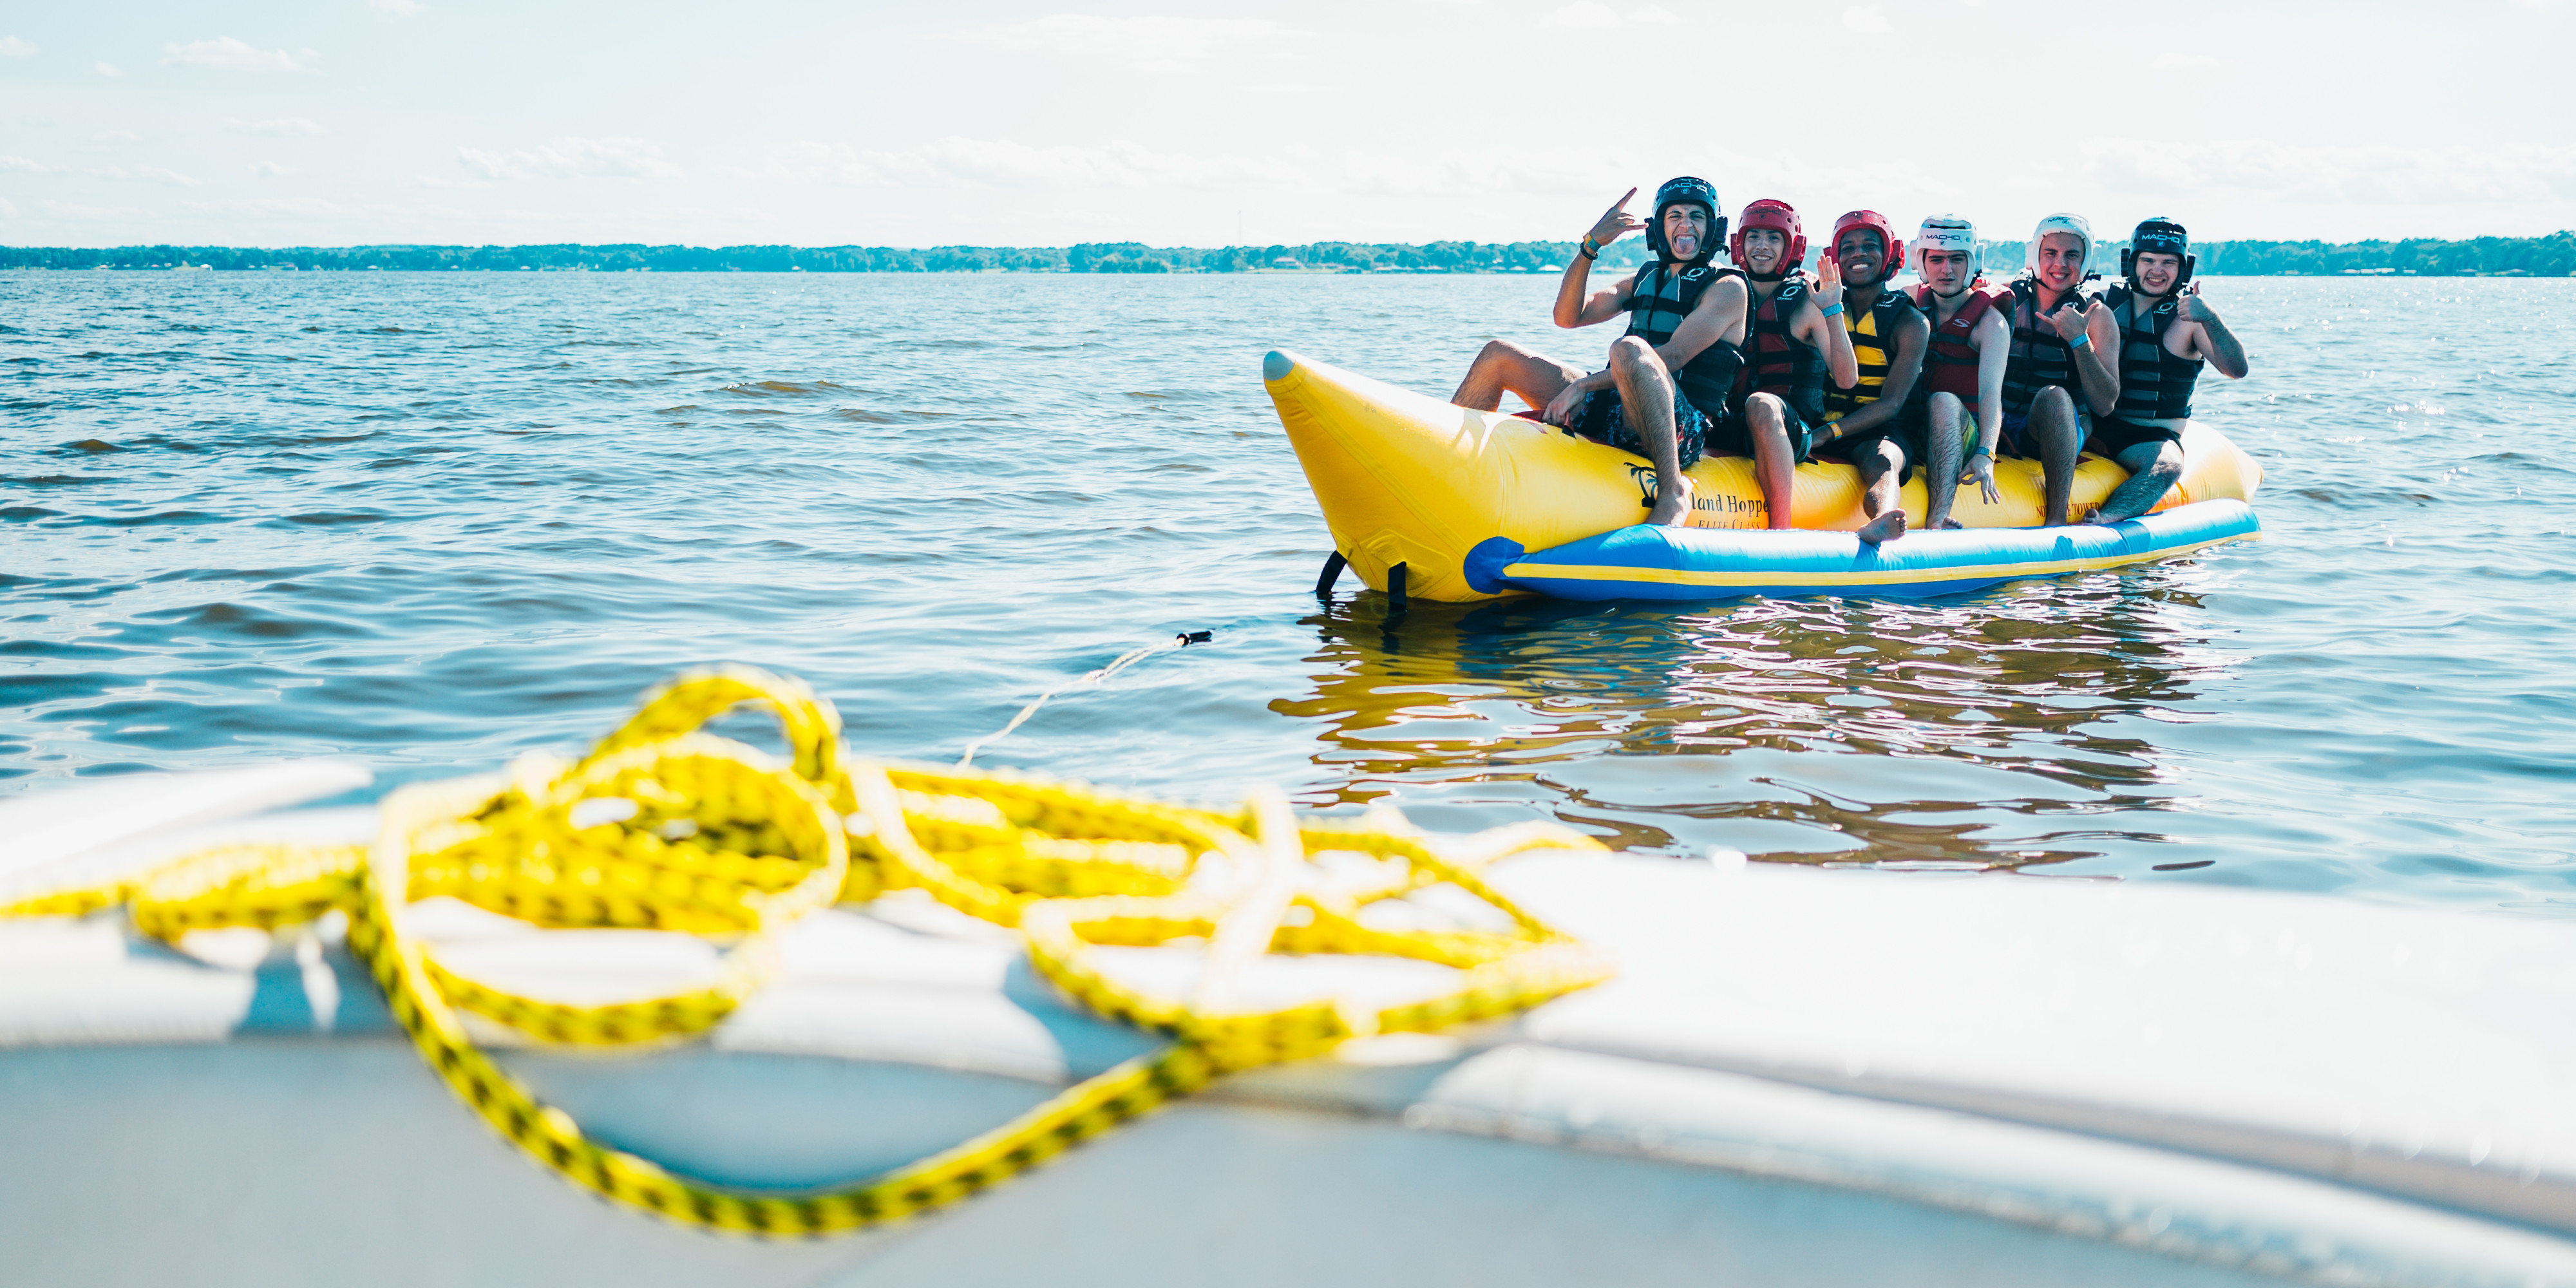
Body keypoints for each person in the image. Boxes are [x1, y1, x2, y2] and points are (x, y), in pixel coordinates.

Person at [1451, 178, 1747, 526]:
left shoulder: (1728, 289)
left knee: (1631, 348)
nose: (1686, 225)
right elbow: (1567, 317)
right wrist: (1590, 247)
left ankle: (1672, 492)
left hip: (1680, 427)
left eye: (1697, 216)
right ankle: (1449, 462)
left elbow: (1673, 357)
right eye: (1675, 216)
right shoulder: (1645, 278)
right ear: (1660, 228)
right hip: (1619, 409)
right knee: (1498, 354)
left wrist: (1583, 386)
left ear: (1712, 227)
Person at [2087, 217, 2252, 523]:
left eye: (2168, 263)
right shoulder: (2102, 302)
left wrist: (2210, 317)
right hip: (2091, 422)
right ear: (2132, 263)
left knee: (2167, 466)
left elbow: (2237, 370)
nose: (2157, 270)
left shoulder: (2189, 317)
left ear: (2183, 269)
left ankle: (2106, 521)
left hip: (2147, 437)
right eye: (2148, 260)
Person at [1720, 198, 1858, 530]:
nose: (1762, 246)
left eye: (1774, 238)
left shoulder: (1808, 301)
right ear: (1740, 245)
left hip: (1790, 430)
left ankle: (1781, 530)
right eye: (1754, 237)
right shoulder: (1722, 293)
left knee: (1762, 404)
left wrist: (1832, 310)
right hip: (1731, 423)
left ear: (1790, 247)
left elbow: (1847, 379)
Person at [1807, 209, 1927, 544]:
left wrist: (1827, 434)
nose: (1858, 253)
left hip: (1880, 430)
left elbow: (1891, 405)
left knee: (1882, 459)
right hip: (1819, 421)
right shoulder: (1815, 302)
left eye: (1870, 245)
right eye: (1848, 248)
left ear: (1889, 255)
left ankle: (1883, 517)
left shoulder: (1910, 323)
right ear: (1834, 259)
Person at [1996, 213, 2118, 526]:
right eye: (2051, 253)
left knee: (2054, 397)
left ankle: (2056, 519)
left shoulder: (2097, 315)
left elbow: (2106, 404)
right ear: (2035, 255)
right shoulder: (2005, 299)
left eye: (2072, 255)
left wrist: (2079, 340)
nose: (2060, 264)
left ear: (2087, 259)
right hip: (1996, 424)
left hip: (2048, 430)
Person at [1906, 215, 2012, 529]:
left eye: (1956, 259)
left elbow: (1992, 394)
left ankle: (1937, 520)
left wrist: (1986, 454)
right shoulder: (1909, 303)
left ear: (1972, 263)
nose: (1946, 269)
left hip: (1961, 434)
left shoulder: (1991, 324)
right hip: (1913, 430)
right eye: (1936, 259)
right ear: (1922, 262)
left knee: (1943, 402)